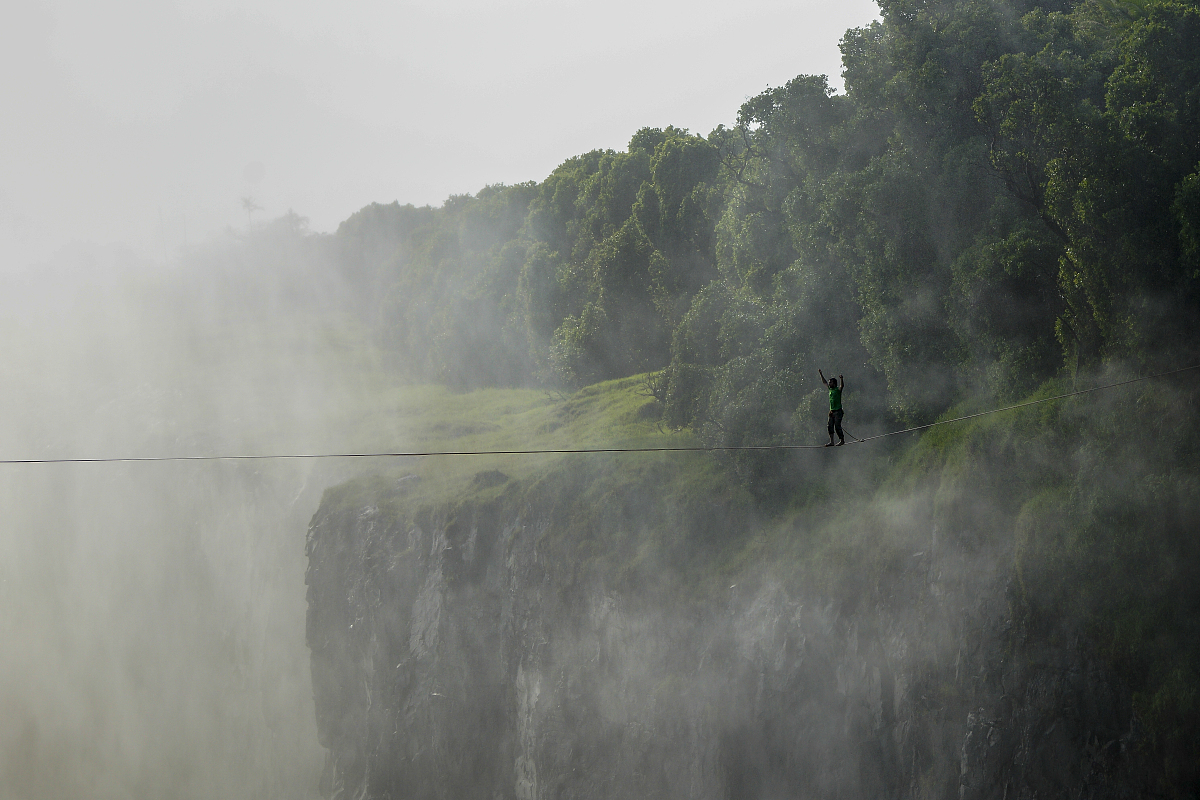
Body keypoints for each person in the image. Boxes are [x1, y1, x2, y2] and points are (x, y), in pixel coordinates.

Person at [819, 369, 844, 446]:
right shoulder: (830, 390)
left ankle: (842, 440)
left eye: (831, 382)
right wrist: (821, 374)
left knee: (837, 426)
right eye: (829, 382)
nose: (829, 384)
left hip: (838, 411)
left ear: (834, 383)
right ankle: (832, 441)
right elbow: (824, 382)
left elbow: (842, 386)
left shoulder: (837, 390)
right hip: (832, 411)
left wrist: (841, 379)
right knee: (830, 426)